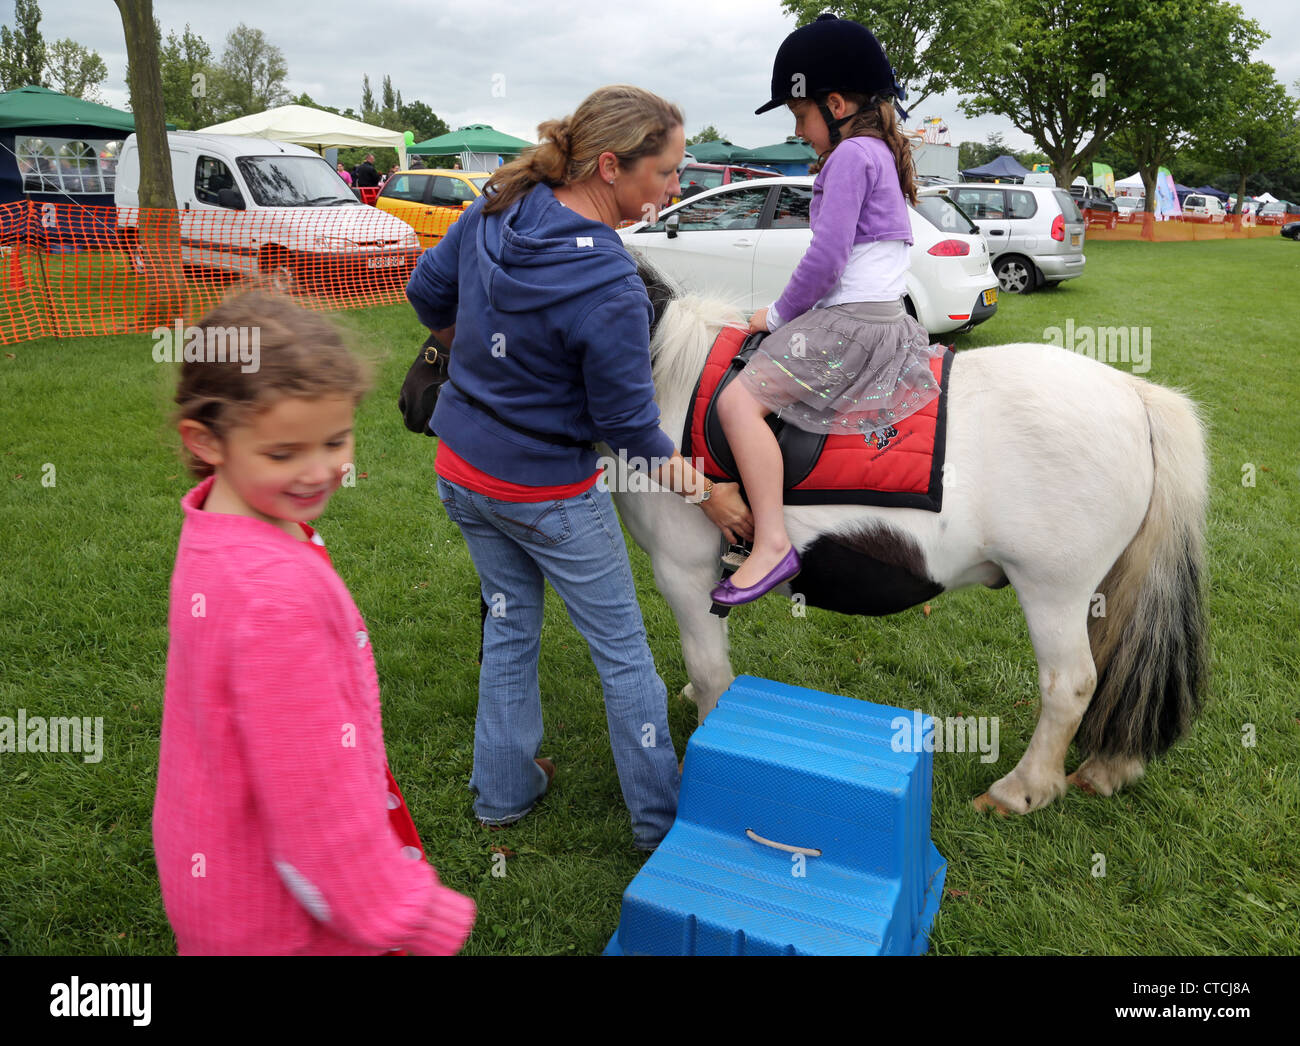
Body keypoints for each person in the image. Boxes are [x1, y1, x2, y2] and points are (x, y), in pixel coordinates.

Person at [406, 85, 752, 852]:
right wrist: (708, 492)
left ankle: (503, 795)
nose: (671, 190)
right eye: (664, 173)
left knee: (509, 629)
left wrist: (494, 342)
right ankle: (662, 825)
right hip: (546, 494)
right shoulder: (609, 282)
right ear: (608, 165)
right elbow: (630, 430)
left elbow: (426, 293)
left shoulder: (499, 205)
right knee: (625, 656)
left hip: (462, 470)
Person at [155, 290, 476, 955]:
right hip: (287, 925)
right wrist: (407, 913)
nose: (320, 470)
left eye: (336, 439)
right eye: (283, 453)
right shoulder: (274, 598)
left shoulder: (216, 526)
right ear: (206, 440)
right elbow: (312, 802)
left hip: (222, 887)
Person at [711, 14, 944, 610]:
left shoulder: (846, 159)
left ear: (835, 103)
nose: (800, 133)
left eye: (799, 117)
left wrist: (778, 314)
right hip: (885, 319)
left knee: (738, 403)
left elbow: (827, 257)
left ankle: (770, 542)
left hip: (849, 324)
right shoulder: (880, 154)